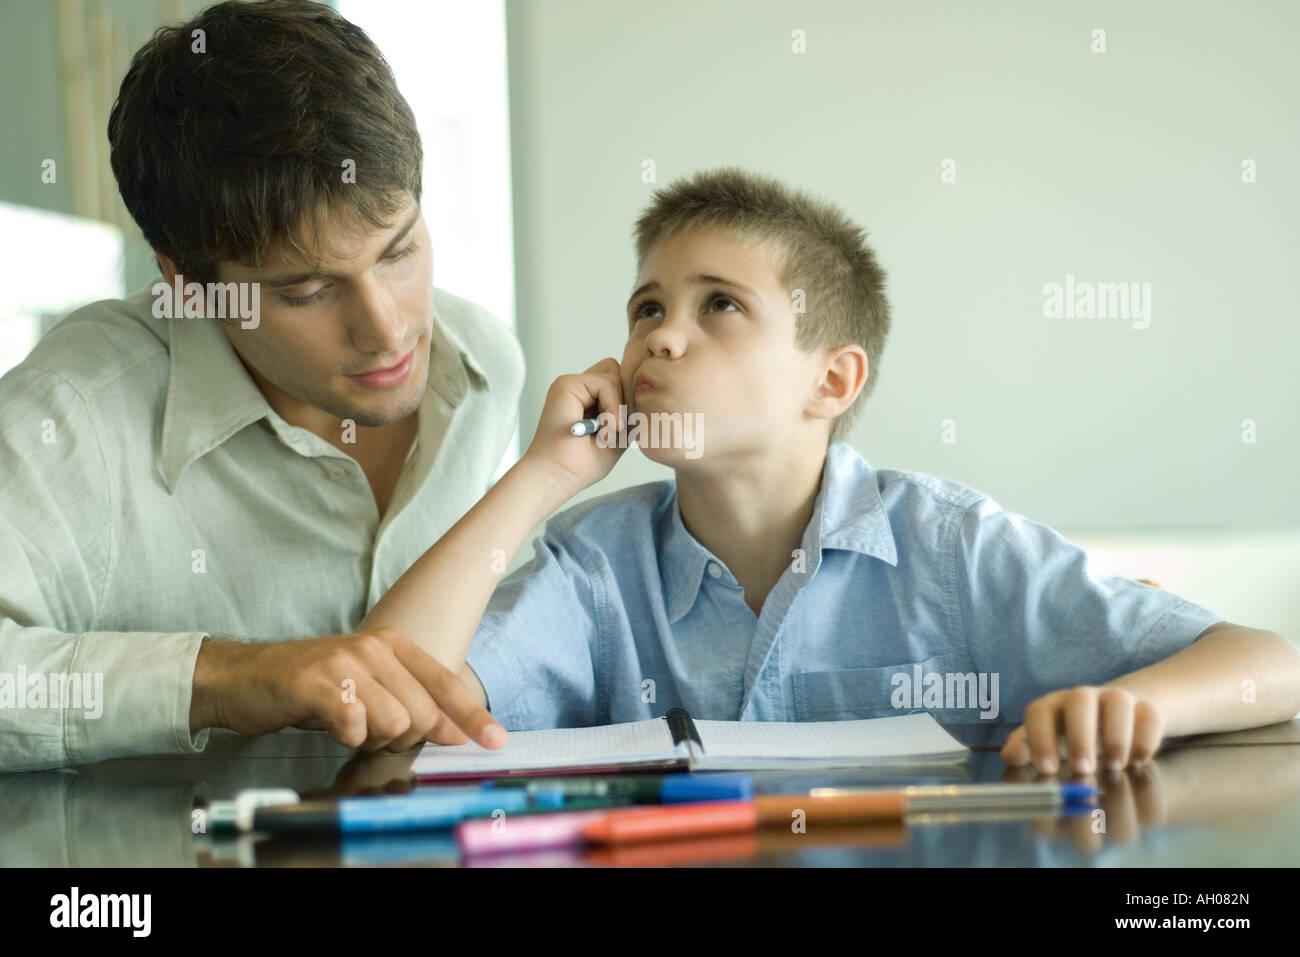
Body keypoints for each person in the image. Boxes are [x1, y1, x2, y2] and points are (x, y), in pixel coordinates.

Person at [362, 166, 1300, 776]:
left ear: (832, 377)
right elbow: (387, 691)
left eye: (718, 304)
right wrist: (542, 475)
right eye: (646, 308)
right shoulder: (596, 561)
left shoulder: (950, 548)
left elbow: (1272, 665)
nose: (662, 336)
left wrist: (1129, 699)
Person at [0, 0, 510, 772]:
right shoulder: (77, 416)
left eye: (399, 250)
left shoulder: (482, 368)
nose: (387, 328)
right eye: (308, 291)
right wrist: (231, 676)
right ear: (189, 282)